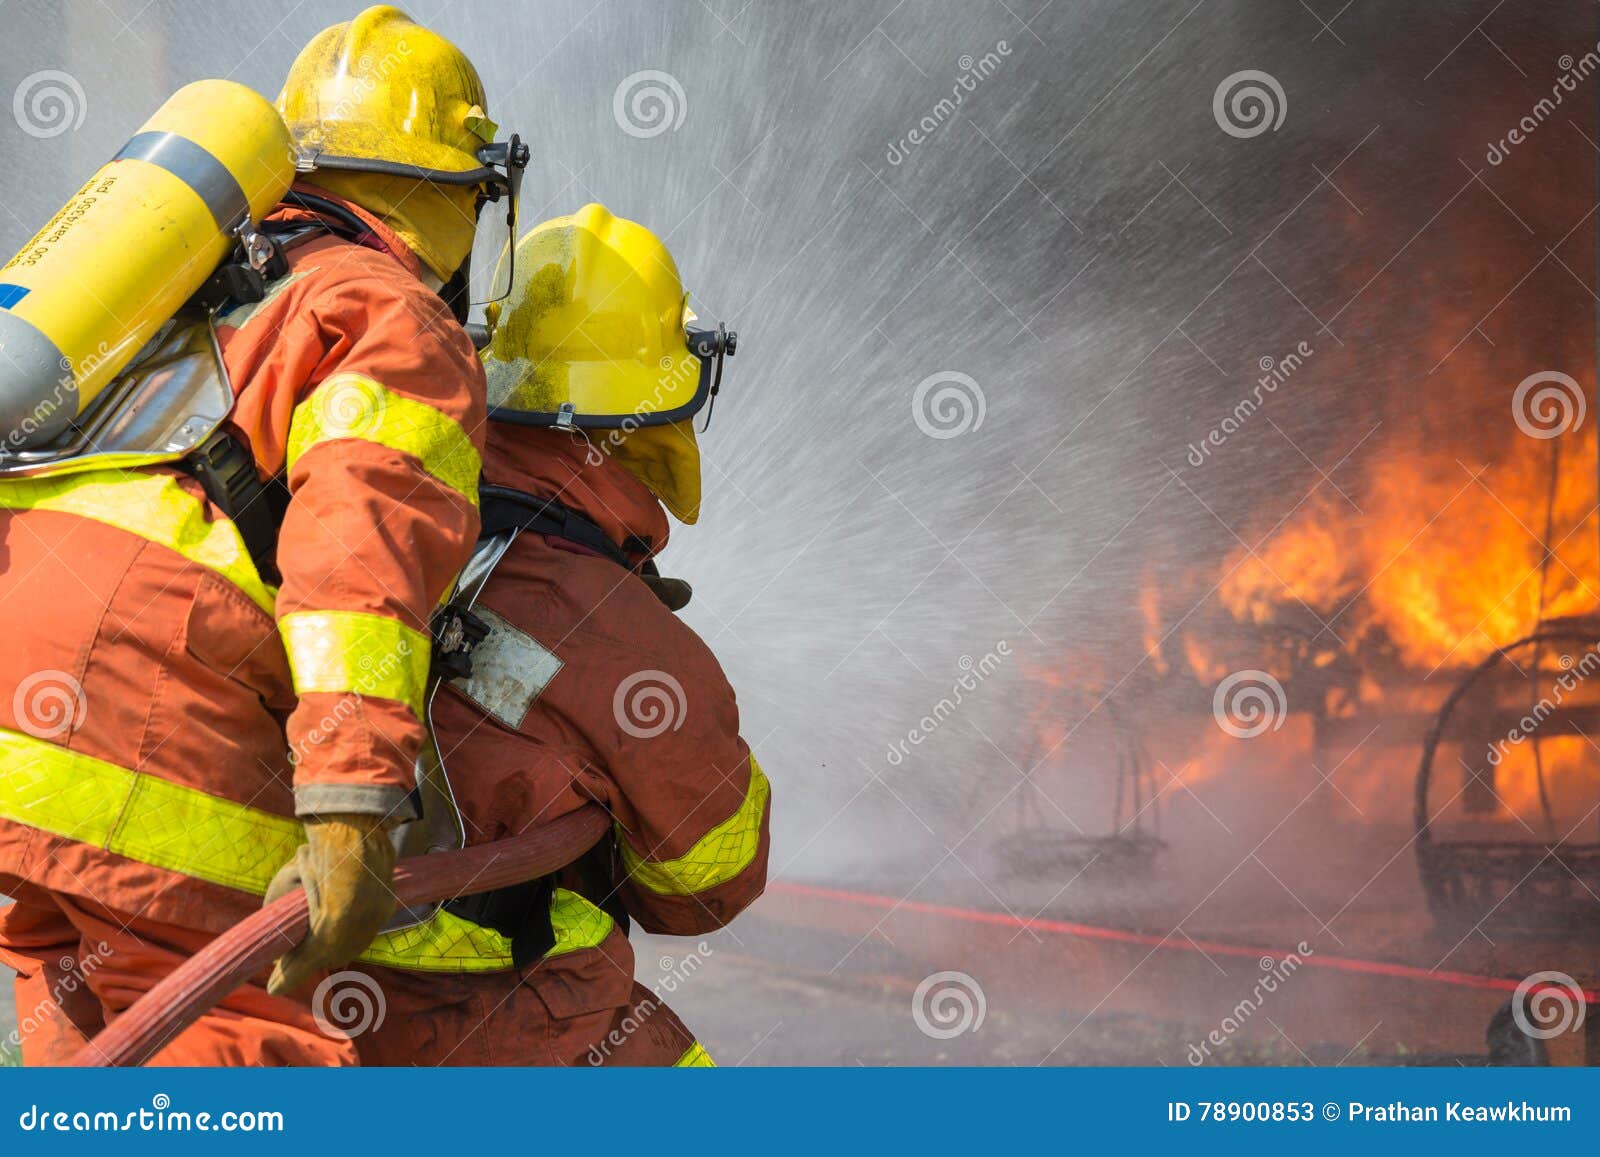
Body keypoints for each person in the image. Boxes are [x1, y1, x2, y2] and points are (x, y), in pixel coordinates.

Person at [0, 5, 520, 1065]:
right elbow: (354, 563)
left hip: (17, 691)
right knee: (255, 1049)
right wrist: (350, 803)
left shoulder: (184, 285)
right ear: (459, 200)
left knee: (78, 1032)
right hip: (139, 726)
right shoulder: (387, 313)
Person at [347, 204, 769, 1066]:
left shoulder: (380, 498)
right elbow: (709, 886)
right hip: (503, 1019)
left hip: (303, 1004)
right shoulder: (625, 641)